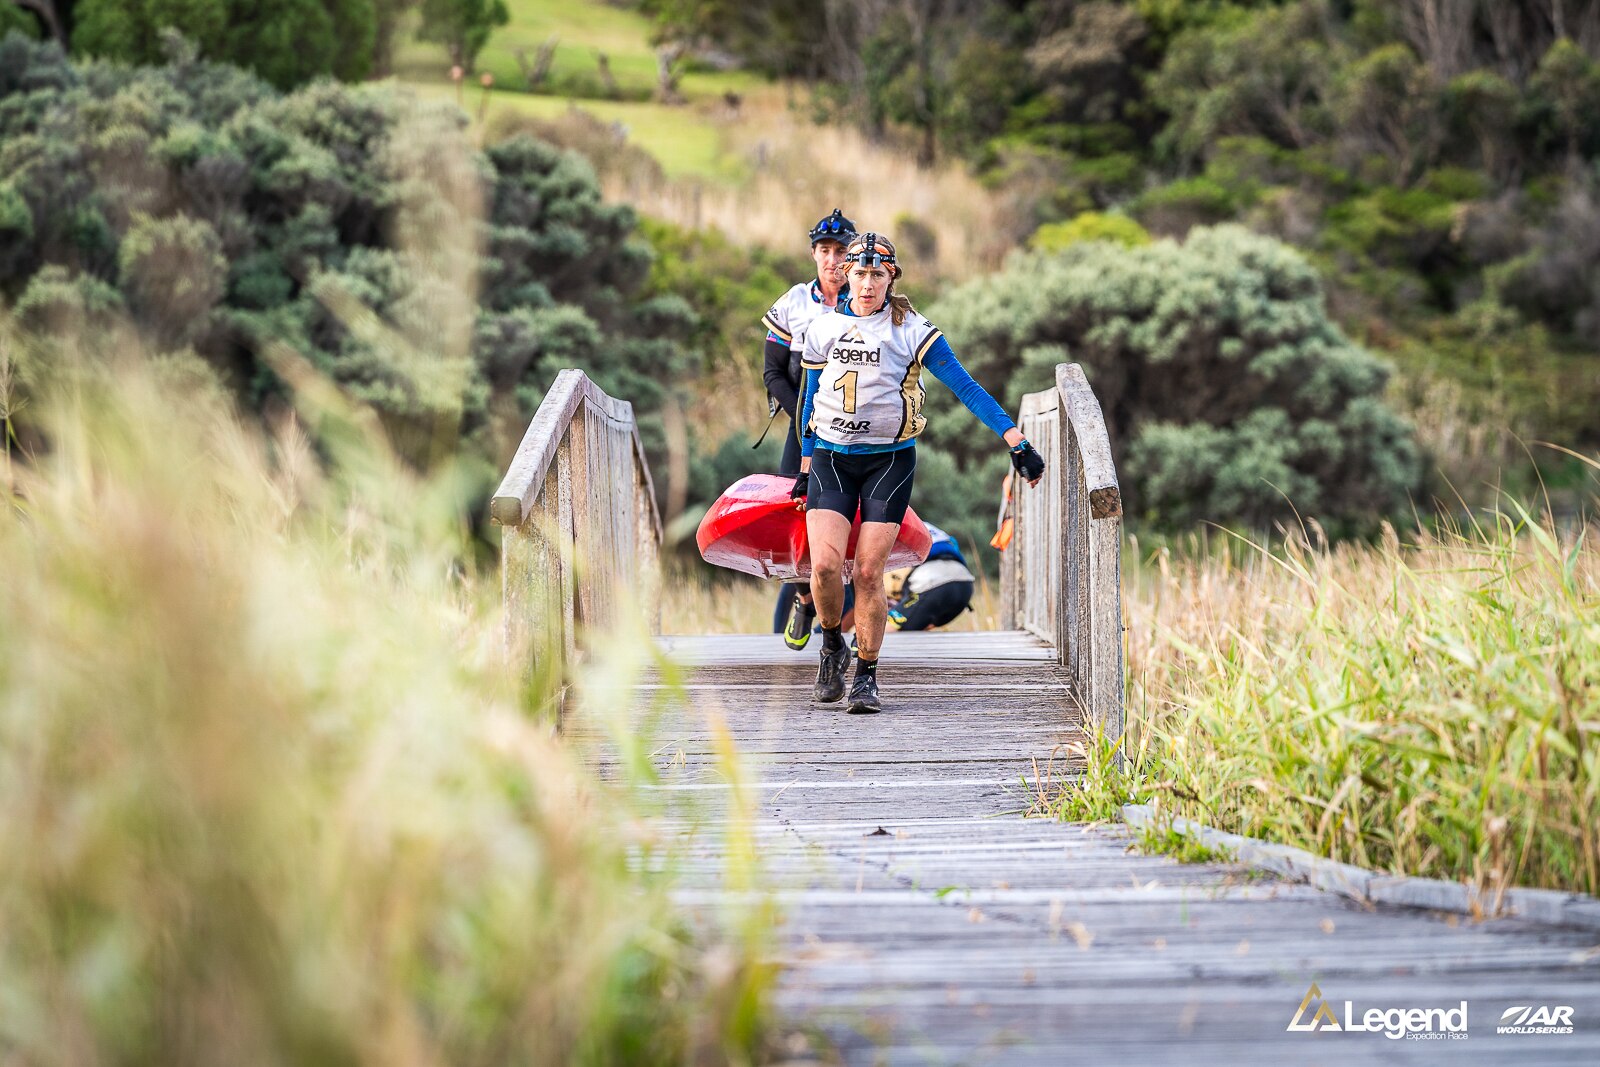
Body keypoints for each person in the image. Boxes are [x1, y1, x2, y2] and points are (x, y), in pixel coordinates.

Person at [793, 232, 1046, 713]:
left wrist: (1015, 440)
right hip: (830, 455)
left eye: (878, 275)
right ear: (846, 275)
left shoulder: (911, 329)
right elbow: (808, 401)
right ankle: (831, 646)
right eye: (861, 274)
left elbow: (966, 387)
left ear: (892, 278)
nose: (868, 285)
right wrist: (805, 462)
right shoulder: (821, 326)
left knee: (868, 571)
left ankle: (866, 675)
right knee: (824, 566)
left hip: (888, 459)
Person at [763, 208, 855, 650]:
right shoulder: (794, 302)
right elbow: (773, 373)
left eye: (841, 251)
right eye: (825, 250)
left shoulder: (869, 300)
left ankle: (844, 629)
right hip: (804, 431)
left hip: (858, 433)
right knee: (794, 519)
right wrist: (803, 414)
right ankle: (803, 599)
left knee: (850, 522)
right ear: (814, 254)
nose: (833, 259)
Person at [888, 523, 974, 631]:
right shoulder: (921, 523)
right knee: (918, 626)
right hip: (965, 584)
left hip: (933, 583)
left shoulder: (886, 525)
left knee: (888, 627)